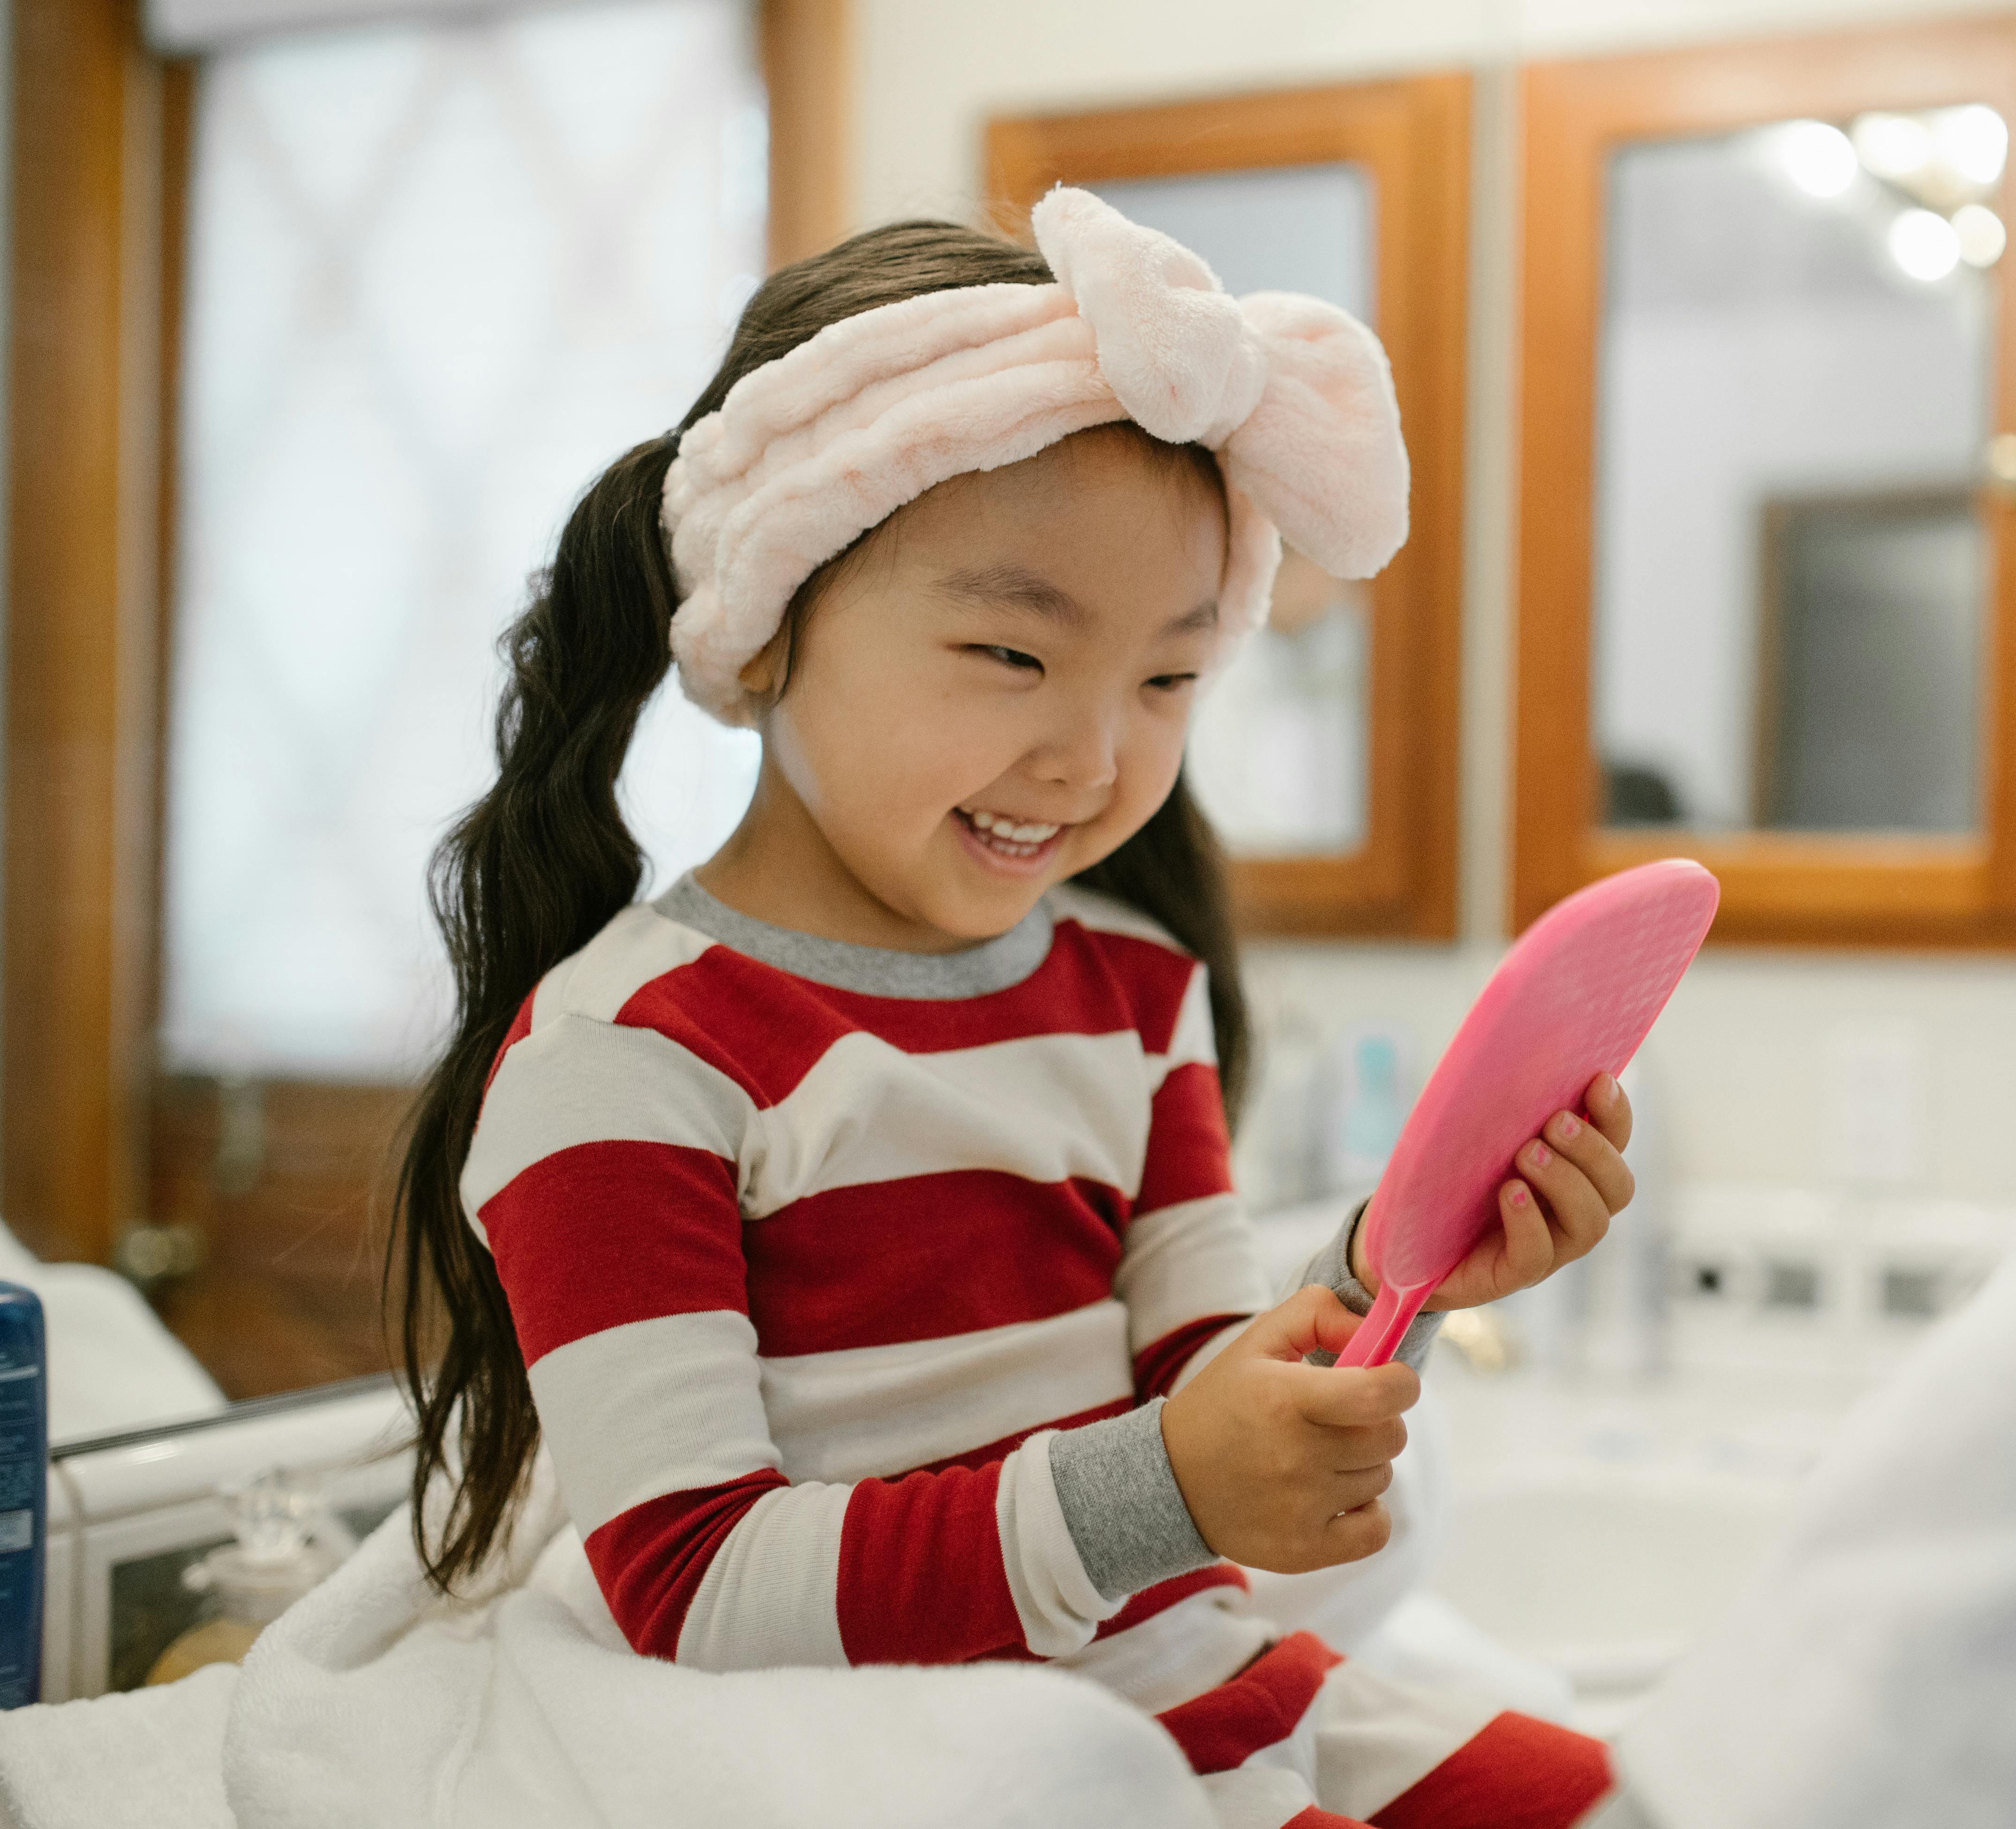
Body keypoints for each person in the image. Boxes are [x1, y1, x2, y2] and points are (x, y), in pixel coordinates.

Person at [384, 188, 1631, 1829]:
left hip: (1195, 1686)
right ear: (765, 622)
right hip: (927, 1767)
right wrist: (1170, 1484)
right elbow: (695, 1587)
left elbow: (1206, 1383)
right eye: (1011, 654)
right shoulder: (624, 1058)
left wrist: (1390, 1273)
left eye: (1169, 677)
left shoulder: (1134, 992)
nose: (1095, 759)